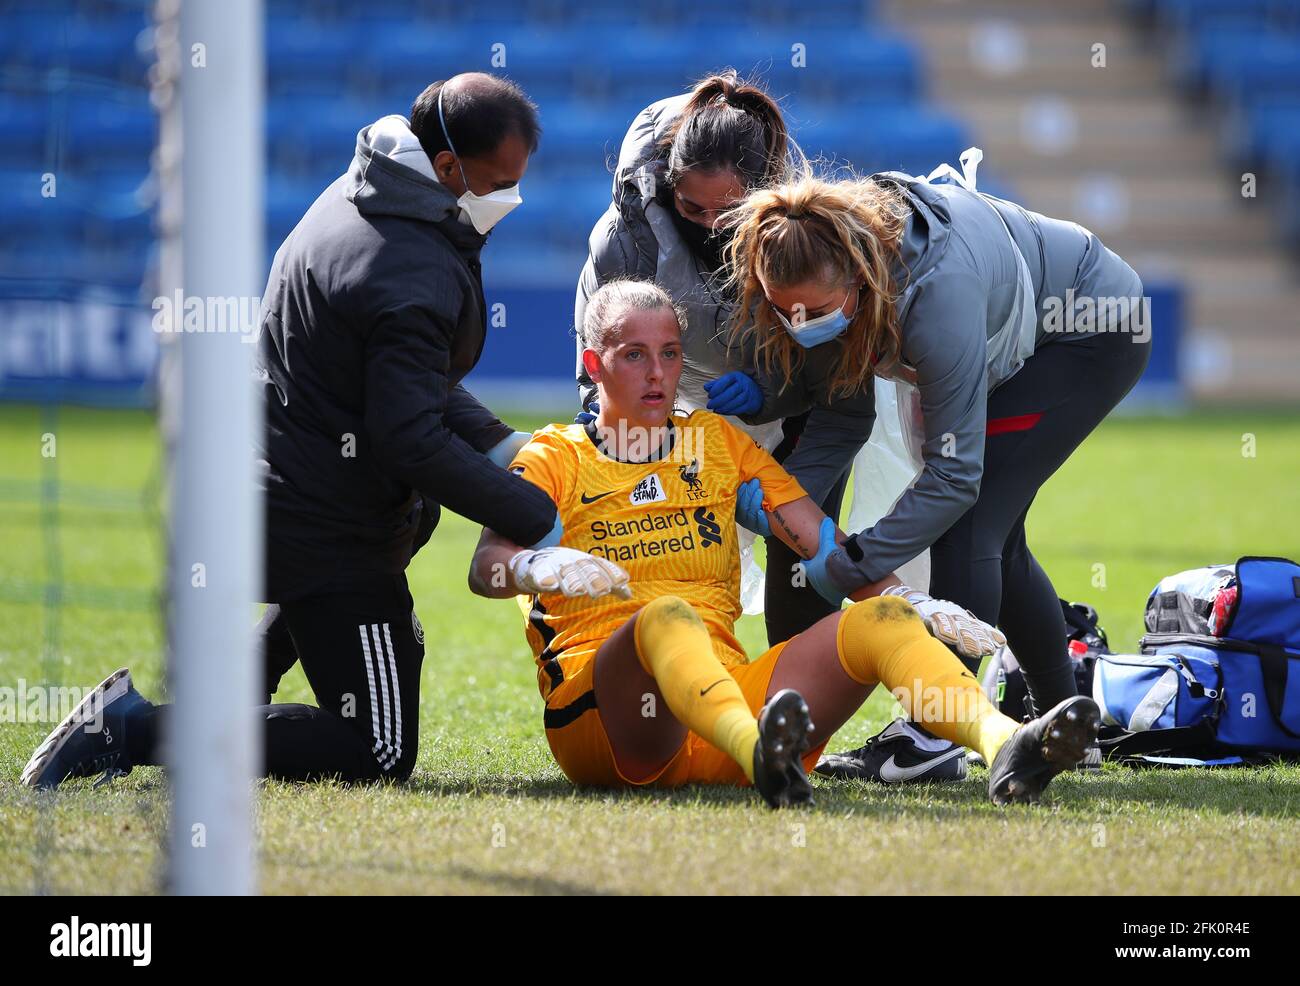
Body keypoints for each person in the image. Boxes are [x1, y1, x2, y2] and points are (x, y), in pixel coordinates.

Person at [22, 73, 563, 789]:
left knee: (416, 516)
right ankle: (129, 727)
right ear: (447, 168)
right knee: (377, 750)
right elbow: (408, 435)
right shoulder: (409, 261)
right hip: (328, 526)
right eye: (500, 183)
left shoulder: (362, 191)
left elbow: (400, 378)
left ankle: (244, 677)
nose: (509, 200)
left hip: (286, 488)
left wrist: (505, 448)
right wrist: (538, 517)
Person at [469, 279, 1100, 808]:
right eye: (634, 355)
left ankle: (1004, 743)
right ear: (594, 364)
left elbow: (824, 544)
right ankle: (761, 754)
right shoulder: (555, 456)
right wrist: (536, 564)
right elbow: (484, 567)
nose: (658, 373)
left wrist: (916, 602)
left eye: (669, 353)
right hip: (612, 727)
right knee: (666, 616)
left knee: (882, 618)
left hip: (723, 710)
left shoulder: (715, 442)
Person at [714, 150, 1151, 781]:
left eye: (812, 311)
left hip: (1090, 328)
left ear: (860, 280)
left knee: (970, 525)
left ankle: (932, 737)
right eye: (786, 313)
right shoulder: (827, 272)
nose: (798, 325)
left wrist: (852, 562)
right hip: (1028, 322)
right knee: (995, 539)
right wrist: (778, 504)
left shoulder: (935, 298)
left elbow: (955, 478)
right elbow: (842, 420)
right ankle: (1068, 728)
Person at [572, 70, 880, 649]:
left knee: (800, 559)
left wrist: (767, 391)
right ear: (666, 182)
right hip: (682, 411)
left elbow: (826, 369)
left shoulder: (796, 231)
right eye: (692, 207)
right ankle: (682, 692)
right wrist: (604, 416)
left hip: (794, 410)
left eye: (730, 212)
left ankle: (793, 718)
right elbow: (602, 333)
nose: (712, 225)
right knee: (671, 548)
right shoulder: (625, 238)